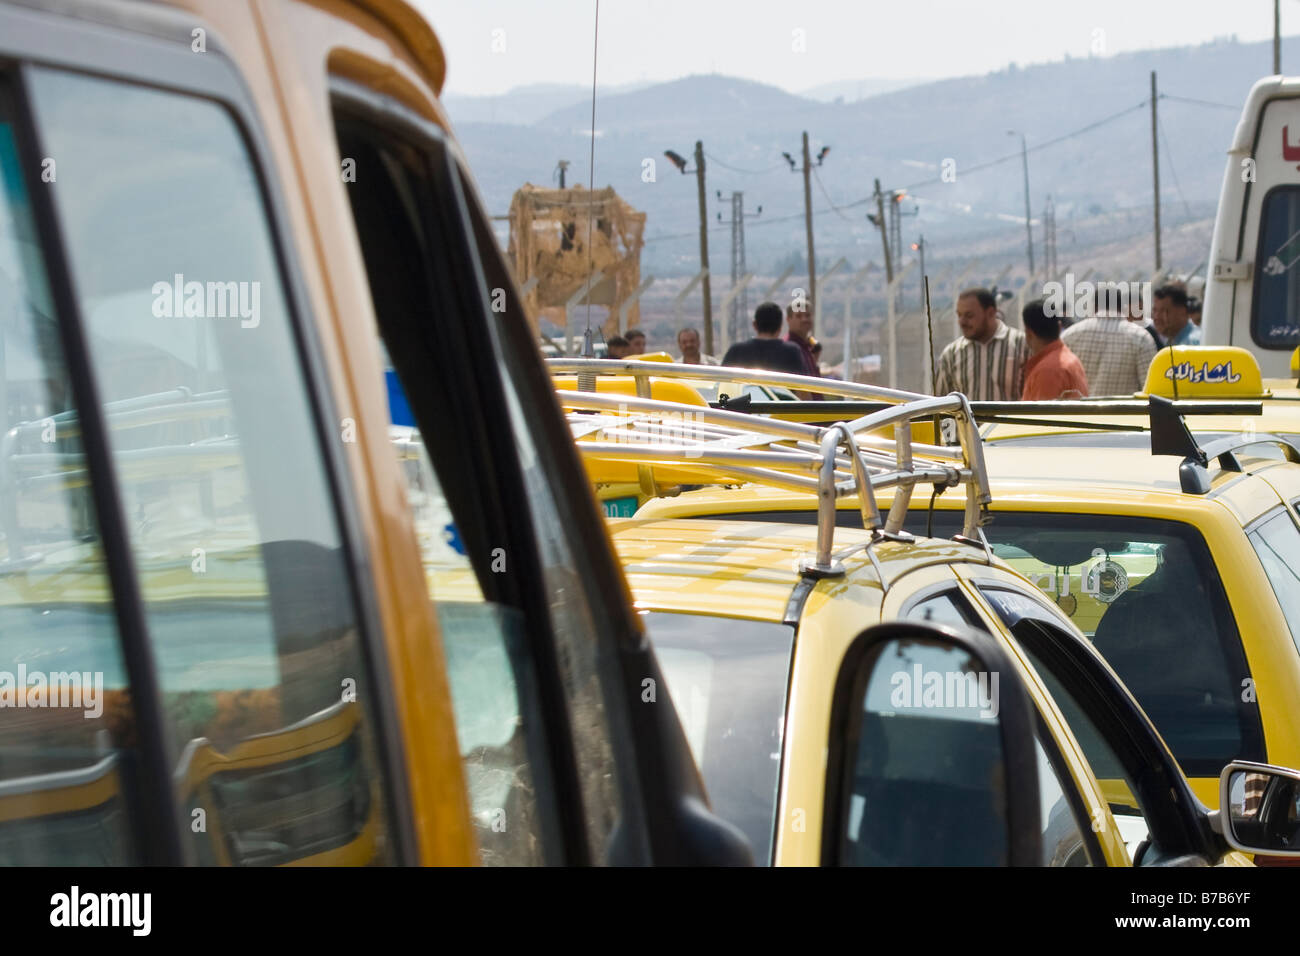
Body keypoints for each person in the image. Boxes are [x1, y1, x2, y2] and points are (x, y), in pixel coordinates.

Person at [934, 287, 1028, 400]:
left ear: (990, 313)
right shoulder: (951, 354)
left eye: (969, 316)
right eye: (959, 315)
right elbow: (940, 404)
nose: (962, 322)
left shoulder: (1021, 345)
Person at [1061, 290, 1157, 396]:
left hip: (1077, 411)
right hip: (1123, 411)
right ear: (1122, 308)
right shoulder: (1140, 338)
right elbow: (1150, 390)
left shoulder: (1070, 335)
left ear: (1094, 307)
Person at [1021, 299, 1089, 400]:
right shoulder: (1067, 358)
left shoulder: (1048, 371)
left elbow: (1040, 414)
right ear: (1059, 327)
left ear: (1028, 333)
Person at [721, 301, 806, 375]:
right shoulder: (791, 352)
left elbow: (721, 385)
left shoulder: (736, 351)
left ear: (754, 325)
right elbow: (802, 391)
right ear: (780, 326)